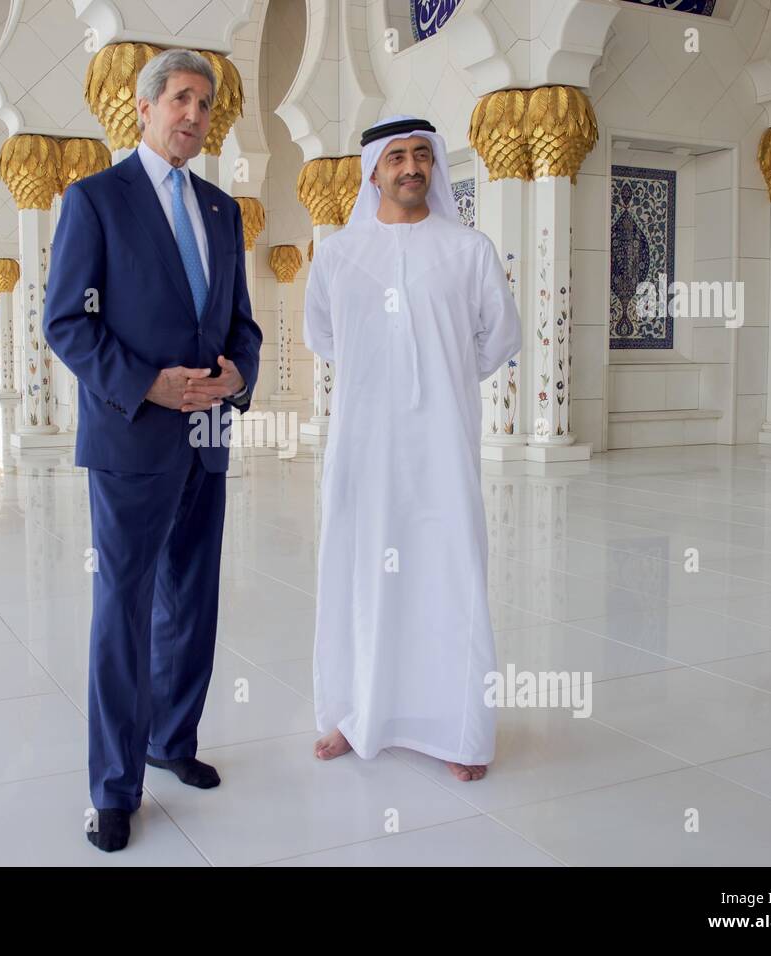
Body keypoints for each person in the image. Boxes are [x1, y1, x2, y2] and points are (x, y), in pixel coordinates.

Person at [43, 49, 263, 852]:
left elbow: (241, 319)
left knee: (194, 598)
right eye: (179, 100)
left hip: (208, 434)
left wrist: (242, 372)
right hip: (132, 435)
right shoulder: (96, 201)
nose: (193, 117)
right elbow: (68, 321)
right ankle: (112, 785)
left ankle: (173, 741)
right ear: (143, 108)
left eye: (204, 104)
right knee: (124, 608)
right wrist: (147, 385)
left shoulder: (221, 210)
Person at [303, 115, 522, 782]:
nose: (410, 167)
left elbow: (500, 338)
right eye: (396, 156)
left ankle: (457, 729)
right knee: (359, 566)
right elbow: (322, 334)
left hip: (441, 447)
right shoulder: (338, 253)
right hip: (363, 447)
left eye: (421, 155)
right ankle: (352, 711)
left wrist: (444, 375)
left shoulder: (468, 249)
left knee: (447, 571)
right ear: (373, 170)